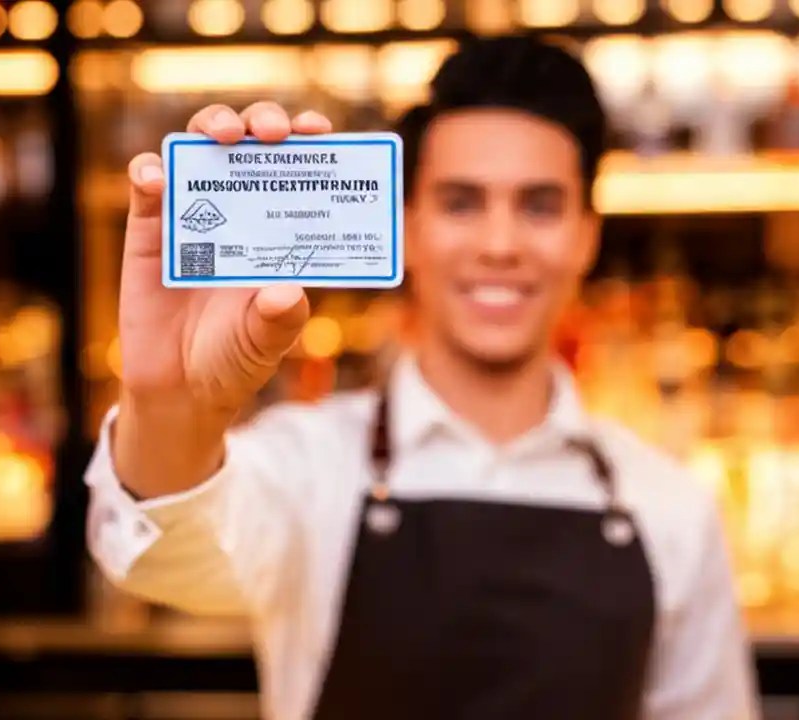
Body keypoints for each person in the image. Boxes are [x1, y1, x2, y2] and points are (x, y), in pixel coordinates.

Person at [86, 35, 758, 720]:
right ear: (402, 225)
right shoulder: (307, 467)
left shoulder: (670, 508)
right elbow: (156, 559)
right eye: (461, 203)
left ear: (587, 234)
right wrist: (171, 409)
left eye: (540, 206)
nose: (500, 246)